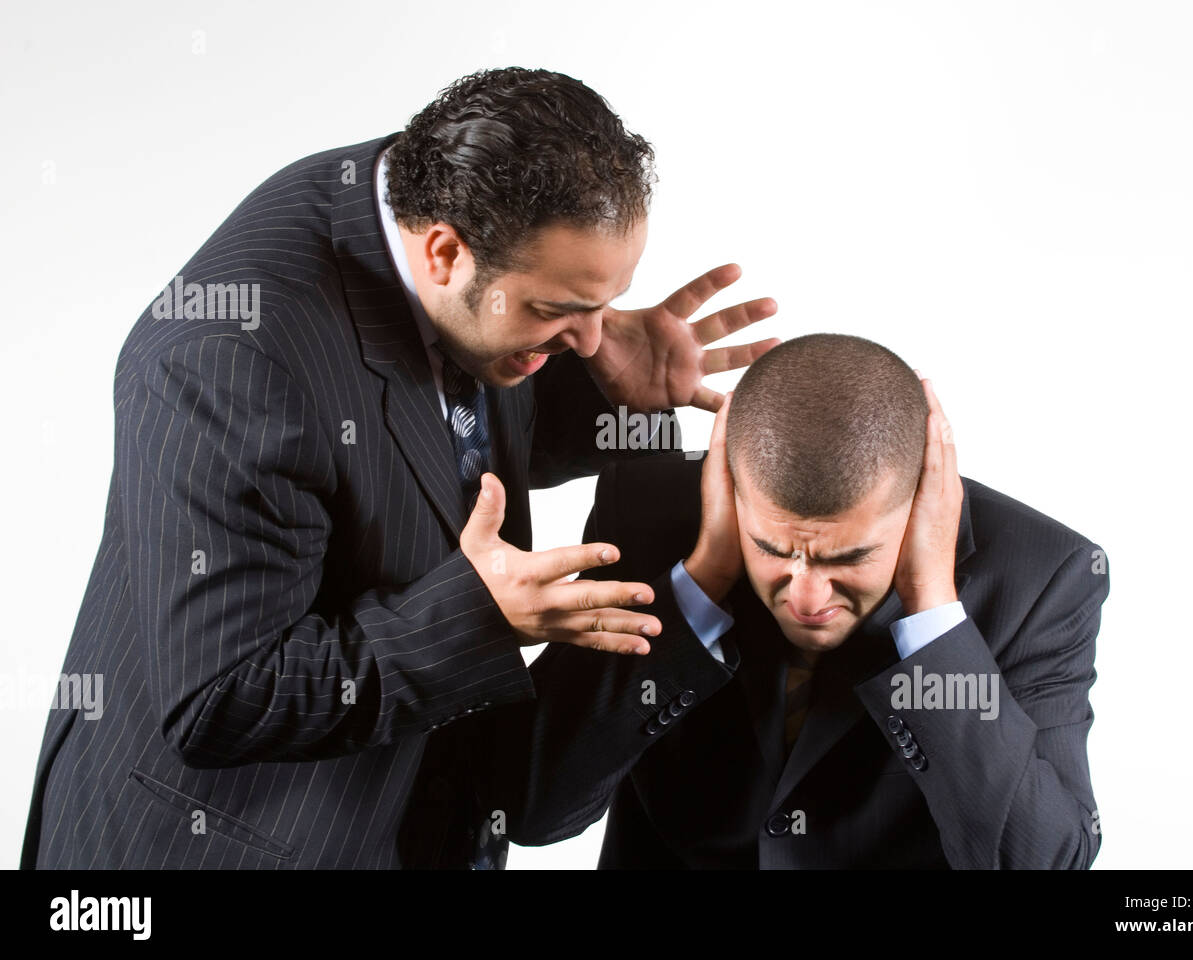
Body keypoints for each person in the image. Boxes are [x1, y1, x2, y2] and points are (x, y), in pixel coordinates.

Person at [21, 67, 777, 869]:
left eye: (606, 302)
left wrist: (602, 395)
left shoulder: (423, 207)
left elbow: (421, 447)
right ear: (446, 253)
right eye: (559, 312)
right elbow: (224, 698)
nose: (593, 339)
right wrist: (479, 618)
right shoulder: (229, 363)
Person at [505, 333, 1108, 868]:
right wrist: (701, 581)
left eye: (849, 558)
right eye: (771, 547)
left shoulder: (1043, 578)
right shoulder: (647, 513)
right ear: (728, 482)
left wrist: (932, 615)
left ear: (926, 500)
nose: (807, 597)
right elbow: (532, 808)